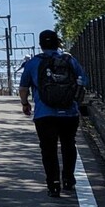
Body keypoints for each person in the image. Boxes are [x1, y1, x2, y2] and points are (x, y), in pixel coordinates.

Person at [19, 29, 90, 197]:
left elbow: (23, 88)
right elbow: (84, 80)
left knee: (48, 149)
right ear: (58, 43)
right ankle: (68, 179)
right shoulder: (69, 60)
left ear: (41, 45)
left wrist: (25, 104)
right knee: (68, 144)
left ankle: (53, 184)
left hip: (44, 114)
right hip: (69, 112)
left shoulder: (33, 63)